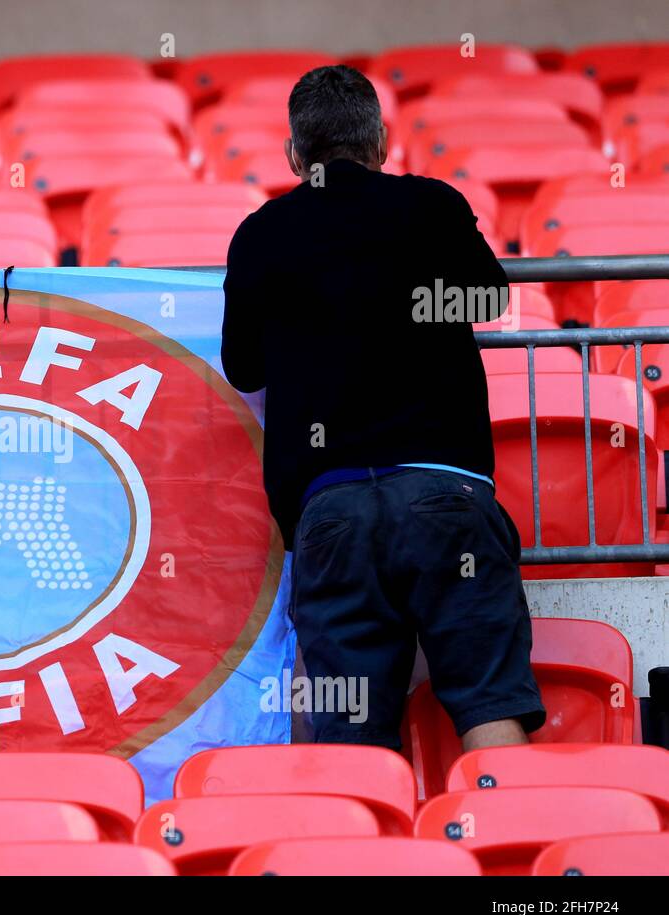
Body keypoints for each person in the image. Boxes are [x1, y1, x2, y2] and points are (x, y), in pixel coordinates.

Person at [221, 64, 544, 752]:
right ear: (382, 144)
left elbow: (243, 366)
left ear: (294, 155)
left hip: (331, 510)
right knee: (489, 703)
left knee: (348, 739)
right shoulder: (430, 206)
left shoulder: (261, 234)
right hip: (444, 493)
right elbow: (489, 299)